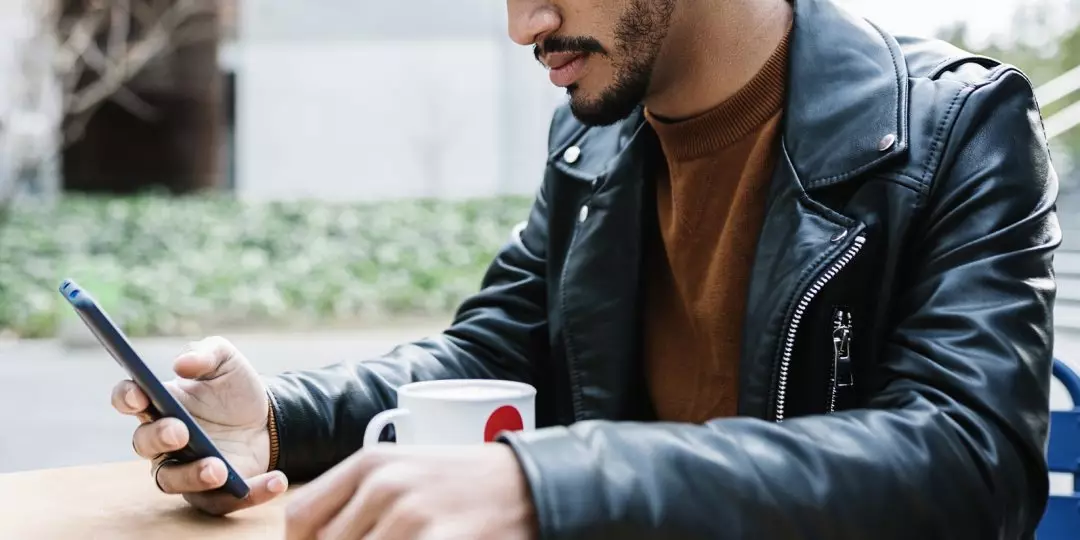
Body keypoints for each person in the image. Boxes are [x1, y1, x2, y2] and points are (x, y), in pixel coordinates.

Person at [110, 0, 1062, 538]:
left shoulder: (955, 129)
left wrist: (553, 482)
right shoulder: (592, 140)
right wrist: (278, 417)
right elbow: (495, 354)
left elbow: (970, 464)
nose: (525, 23)